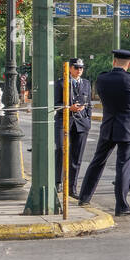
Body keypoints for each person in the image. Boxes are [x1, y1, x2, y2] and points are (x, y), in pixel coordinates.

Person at [77, 49, 130, 217]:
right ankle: (121, 205)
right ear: (129, 64)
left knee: (97, 161)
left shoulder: (102, 79)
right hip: (128, 128)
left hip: (108, 126)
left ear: (114, 61)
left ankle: (84, 197)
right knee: (124, 166)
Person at [52, 58, 92, 197]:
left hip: (81, 123)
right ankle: (57, 181)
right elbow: (56, 104)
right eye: (76, 67)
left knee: (76, 157)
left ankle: (71, 187)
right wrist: (69, 108)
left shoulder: (86, 83)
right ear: (70, 68)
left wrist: (88, 120)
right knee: (61, 150)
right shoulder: (61, 83)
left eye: (81, 67)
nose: (79, 70)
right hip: (64, 120)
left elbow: (89, 104)